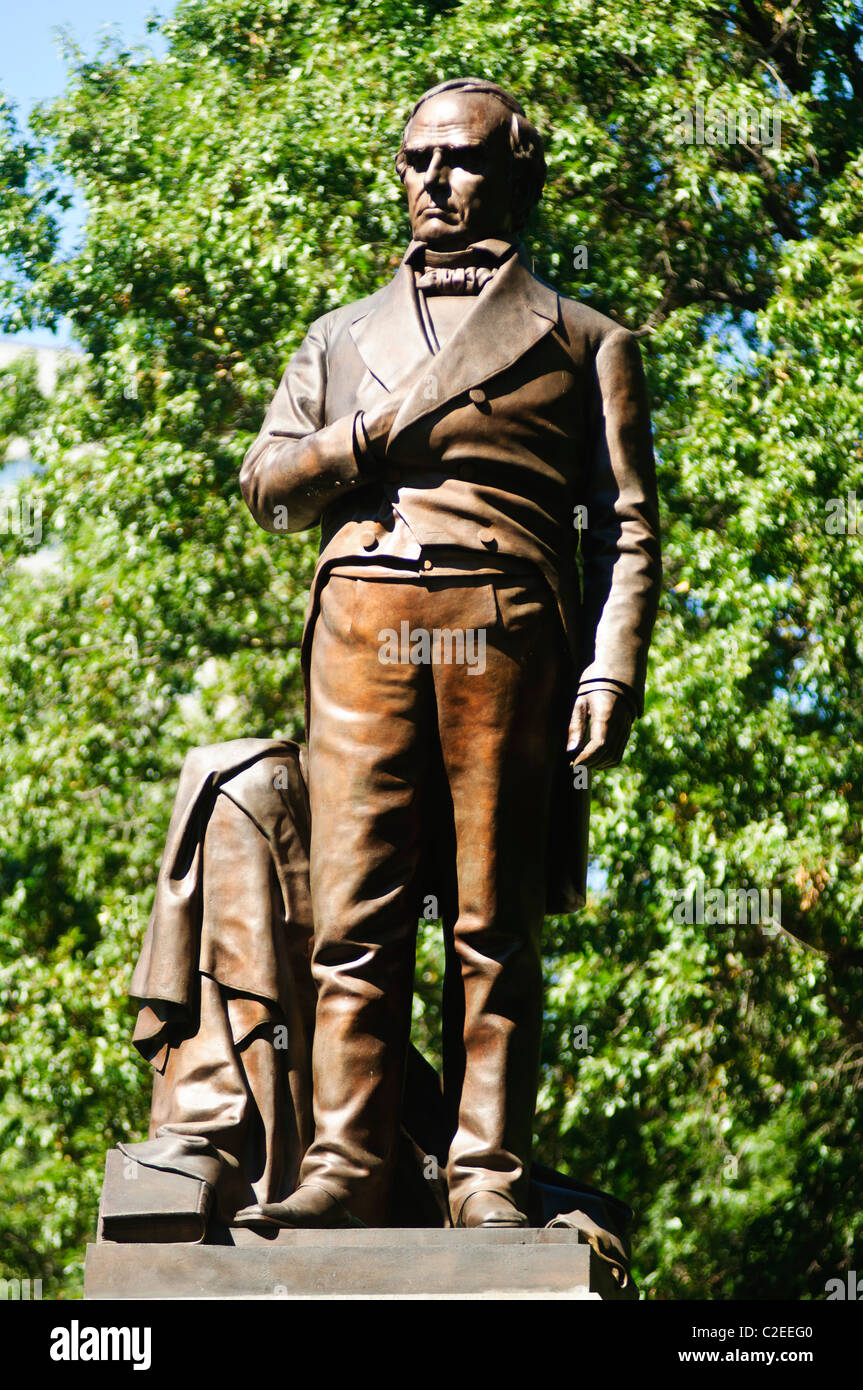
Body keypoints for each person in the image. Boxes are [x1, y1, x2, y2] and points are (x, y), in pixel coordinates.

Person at [235, 78, 661, 1229]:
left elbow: (625, 524)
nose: (434, 181)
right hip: (362, 621)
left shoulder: (585, 340)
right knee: (353, 913)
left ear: (517, 175)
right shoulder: (336, 338)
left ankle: (484, 1175)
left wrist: (610, 667)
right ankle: (347, 1163)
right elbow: (266, 489)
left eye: (462, 159)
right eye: (416, 160)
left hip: (503, 627)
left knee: (490, 921)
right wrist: (364, 435)